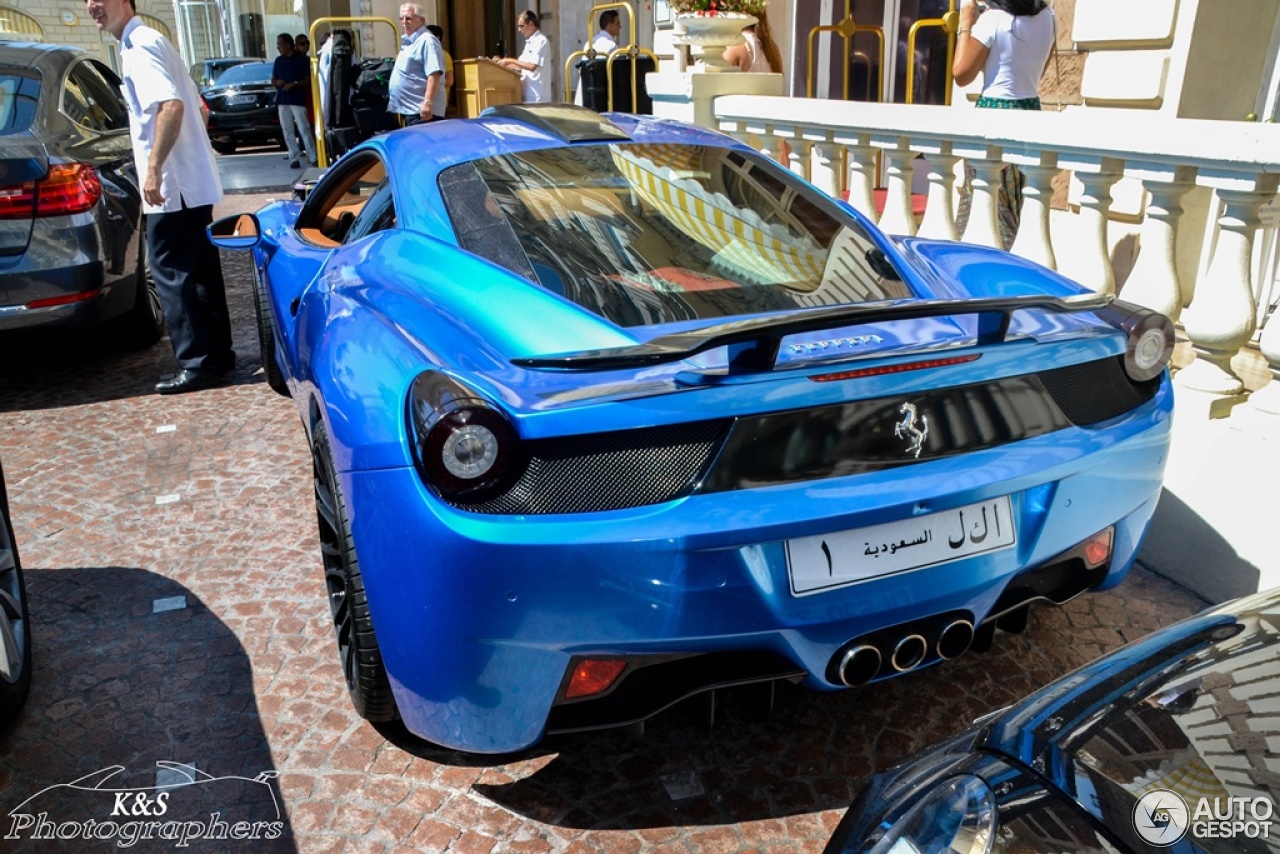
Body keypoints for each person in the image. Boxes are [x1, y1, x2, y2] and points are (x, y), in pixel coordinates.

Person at [85, 0, 235, 394]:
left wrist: (153, 169)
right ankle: (217, 355)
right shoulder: (151, 40)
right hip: (188, 180)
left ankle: (198, 363)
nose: (91, 6)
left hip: (172, 185)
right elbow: (199, 109)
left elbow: (172, 106)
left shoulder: (140, 46)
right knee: (199, 269)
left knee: (171, 271)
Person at [952, 0, 1055, 247]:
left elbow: (961, 74)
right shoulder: (1049, 18)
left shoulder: (992, 20)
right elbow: (1036, 72)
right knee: (1018, 201)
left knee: (986, 202)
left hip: (993, 116)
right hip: (1030, 114)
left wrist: (965, 24)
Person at [387, 3, 446, 125]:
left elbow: (434, 74)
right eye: (401, 18)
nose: (404, 22)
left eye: (408, 18)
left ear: (421, 20)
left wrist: (427, 102)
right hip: (410, 111)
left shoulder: (427, 41)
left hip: (423, 114)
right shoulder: (409, 41)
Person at [272, 33, 317, 168]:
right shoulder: (278, 61)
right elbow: (273, 79)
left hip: (297, 99)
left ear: (288, 45)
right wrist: (277, 82)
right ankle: (293, 157)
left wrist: (295, 83)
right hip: (282, 99)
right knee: (287, 130)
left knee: (304, 128)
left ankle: (313, 156)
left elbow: (308, 80)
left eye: (280, 45)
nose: (278, 47)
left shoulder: (302, 59)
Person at [494, 10, 549, 104]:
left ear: (531, 24)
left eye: (521, 26)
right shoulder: (529, 42)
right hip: (526, 95)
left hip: (537, 96)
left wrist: (510, 60)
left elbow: (532, 66)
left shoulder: (541, 40)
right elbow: (519, 66)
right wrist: (500, 63)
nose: (519, 29)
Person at [573, 9, 621, 105]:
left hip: (584, 92)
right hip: (600, 96)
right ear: (610, 26)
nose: (620, 26)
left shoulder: (590, 43)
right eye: (618, 23)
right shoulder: (611, 46)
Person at [425, 23, 454, 113]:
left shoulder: (444, 55)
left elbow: (450, 80)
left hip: (437, 104)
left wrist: (433, 82)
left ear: (437, 38)